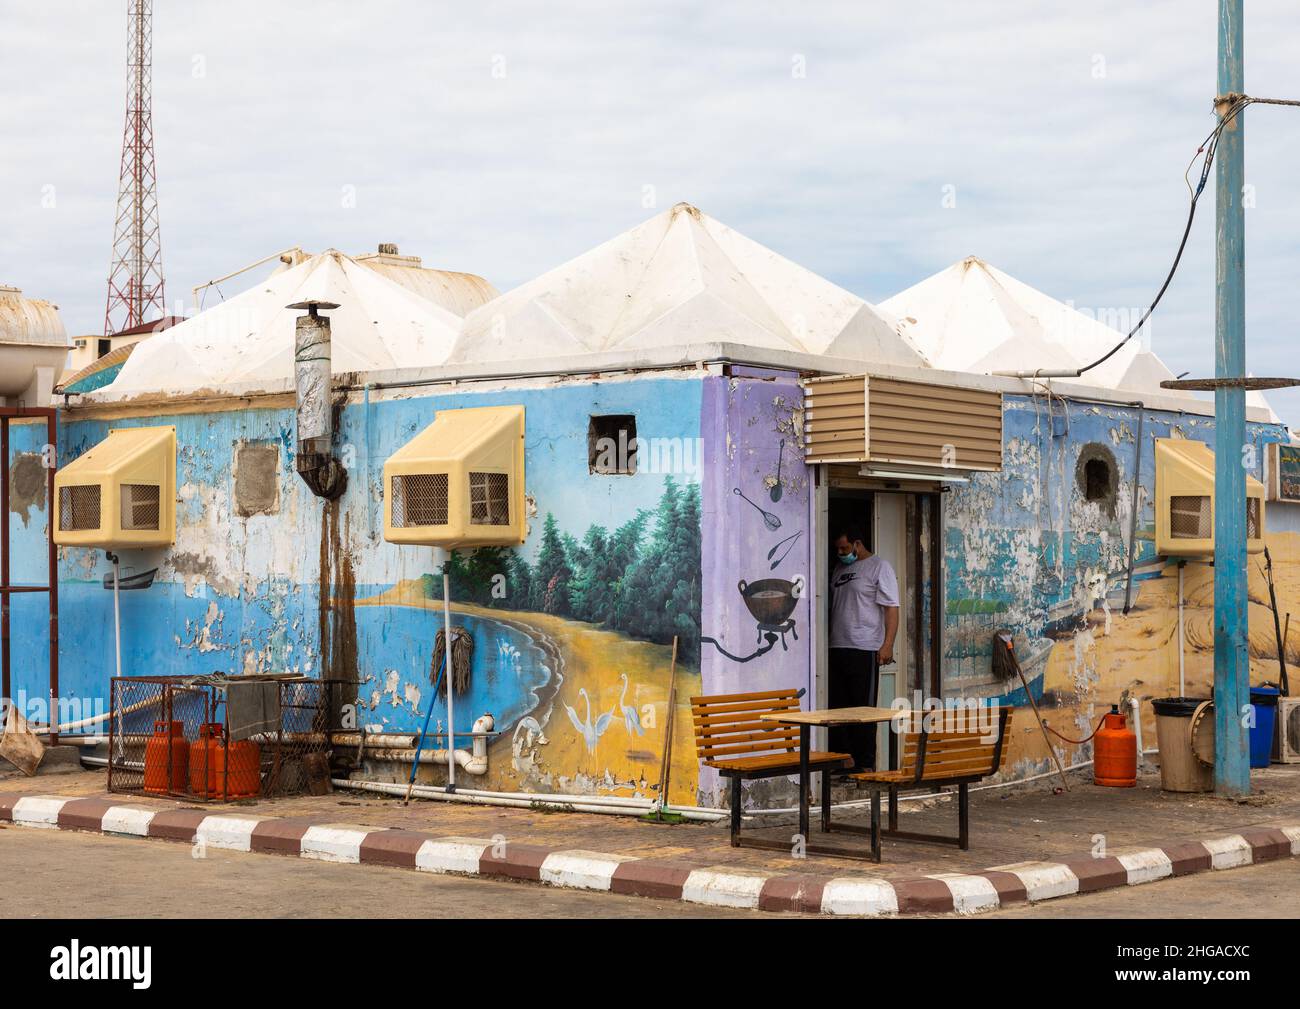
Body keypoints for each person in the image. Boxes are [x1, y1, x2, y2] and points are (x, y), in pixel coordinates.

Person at [828, 524, 899, 772]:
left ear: (858, 544)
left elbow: (891, 607)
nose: (841, 552)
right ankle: (844, 759)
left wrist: (887, 645)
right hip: (837, 645)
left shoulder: (879, 567)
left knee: (863, 709)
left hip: (865, 647)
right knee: (838, 709)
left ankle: (865, 764)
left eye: (845, 547)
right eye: (837, 549)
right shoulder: (839, 568)